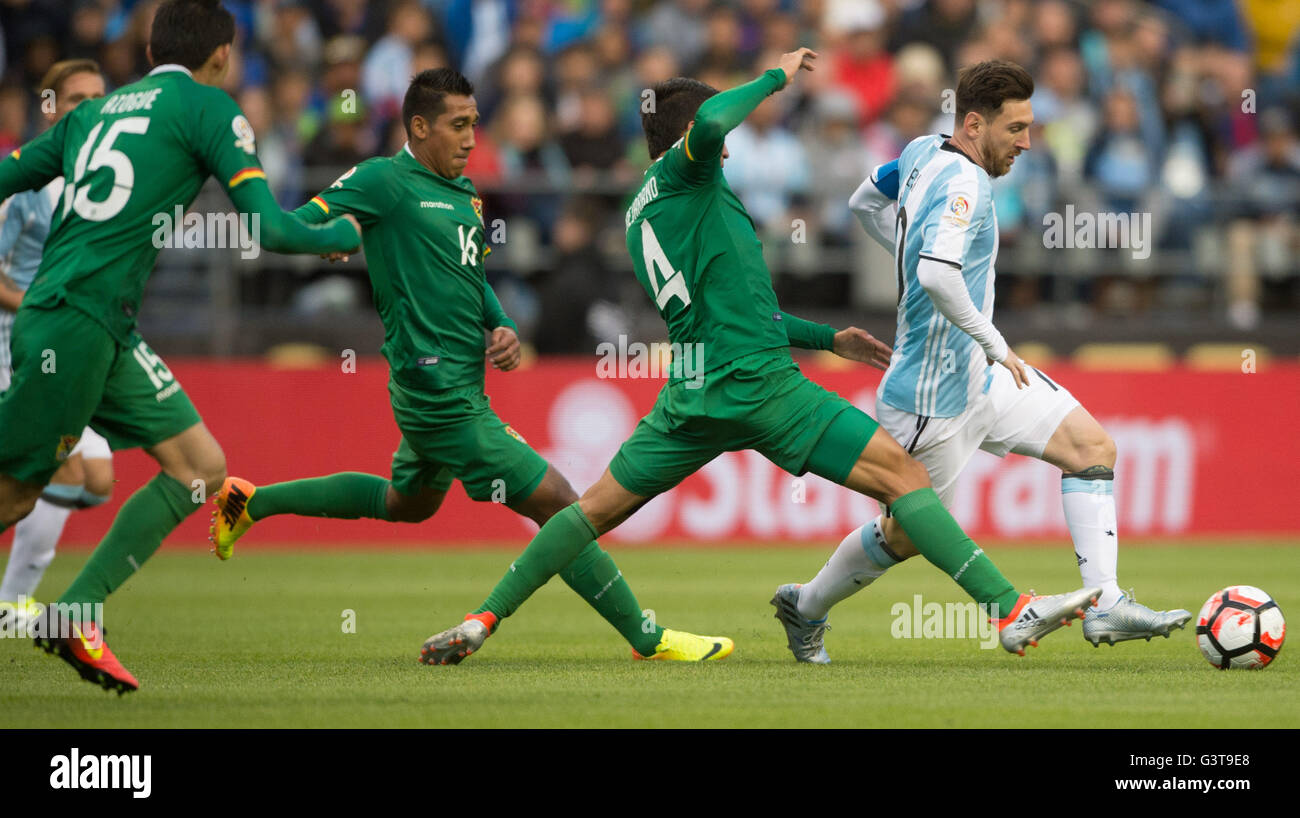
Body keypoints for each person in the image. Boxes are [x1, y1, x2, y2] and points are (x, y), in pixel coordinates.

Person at [420, 49, 1099, 666]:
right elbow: (714, 121)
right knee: (905, 482)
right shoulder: (692, 175)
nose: (730, 145)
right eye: (720, 138)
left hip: (691, 396)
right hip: (762, 389)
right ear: (692, 140)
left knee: (586, 511)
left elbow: (735, 309)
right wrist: (775, 75)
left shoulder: (637, 213)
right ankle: (1009, 610)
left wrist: (825, 339)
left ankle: (484, 618)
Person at [209, 68, 729, 663]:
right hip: (436, 391)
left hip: (461, 384)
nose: (471, 139)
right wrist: (329, 235)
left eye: (475, 124)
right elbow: (293, 225)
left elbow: (473, 276)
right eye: (458, 126)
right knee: (560, 502)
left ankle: (251, 501)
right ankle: (647, 637)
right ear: (419, 125)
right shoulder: (382, 181)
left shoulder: (465, 194)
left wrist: (501, 322)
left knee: (411, 503)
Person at [0, 0, 362, 693]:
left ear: (147, 52)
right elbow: (272, 230)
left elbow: (7, 175)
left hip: (96, 323)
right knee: (13, 496)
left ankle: (73, 613)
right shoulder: (209, 110)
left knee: (199, 466)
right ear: (222, 55)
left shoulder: (88, 114)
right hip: (76, 321)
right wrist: (343, 235)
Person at [775, 60, 1189, 664]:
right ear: (974, 123)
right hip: (930, 398)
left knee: (1092, 449)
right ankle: (805, 605)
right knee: (906, 534)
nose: (1026, 142)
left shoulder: (919, 151)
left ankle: (1105, 602)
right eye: (1016, 128)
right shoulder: (966, 183)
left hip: (982, 378)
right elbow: (937, 274)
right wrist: (994, 340)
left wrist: (907, 247)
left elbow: (864, 202)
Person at [0, 60, 114, 632]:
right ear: (51, 109)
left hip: (62, 344)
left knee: (98, 477)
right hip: (10, 345)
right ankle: (11, 606)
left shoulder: (102, 178)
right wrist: (43, 306)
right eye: (76, 100)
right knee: (65, 470)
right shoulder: (23, 181)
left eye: (99, 97)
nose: (90, 108)